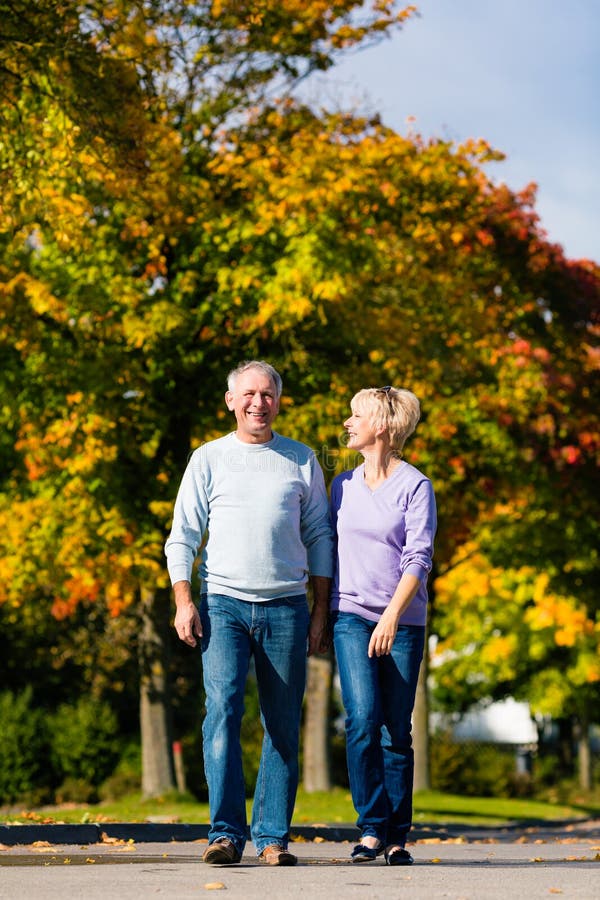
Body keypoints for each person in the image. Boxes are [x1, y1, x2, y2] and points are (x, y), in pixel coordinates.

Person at [165, 360, 333, 867]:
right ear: (231, 401)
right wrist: (183, 600)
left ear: (278, 402)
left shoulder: (302, 460)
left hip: (286, 607)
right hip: (222, 604)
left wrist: (321, 608)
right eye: (250, 394)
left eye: (268, 395)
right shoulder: (209, 458)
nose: (259, 403)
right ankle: (224, 834)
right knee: (222, 716)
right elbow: (183, 535)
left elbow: (321, 535)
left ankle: (272, 837)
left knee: (282, 725)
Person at [330, 385, 437, 866]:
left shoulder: (416, 485)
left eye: (357, 415)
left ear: (384, 426)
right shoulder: (342, 486)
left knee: (397, 729)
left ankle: (397, 835)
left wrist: (392, 616)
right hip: (351, 615)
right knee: (361, 720)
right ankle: (371, 827)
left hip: (403, 621)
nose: (348, 422)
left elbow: (419, 556)